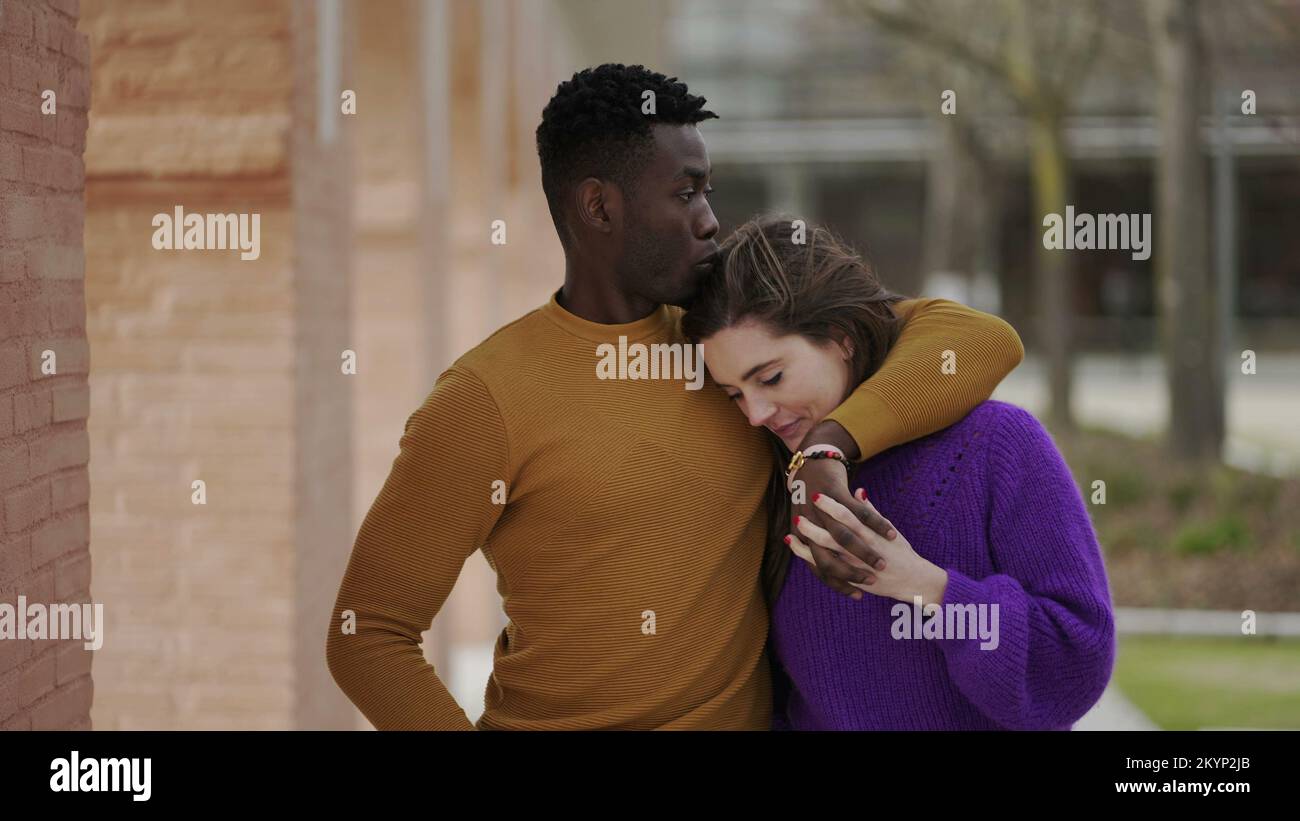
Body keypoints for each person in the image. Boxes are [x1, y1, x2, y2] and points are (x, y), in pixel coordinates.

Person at [325, 64, 1025, 730]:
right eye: (686, 193)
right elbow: (369, 633)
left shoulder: (727, 347)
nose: (710, 219)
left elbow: (977, 337)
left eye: (708, 192)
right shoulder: (483, 398)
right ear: (598, 206)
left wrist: (828, 444)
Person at [682, 214, 1115, 730]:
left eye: (771, 377)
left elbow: (1074, 660)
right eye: (734, 393)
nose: (756, 412)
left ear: (841, 337)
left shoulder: (996, 444)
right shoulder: (771, 471)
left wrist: (926, 587)